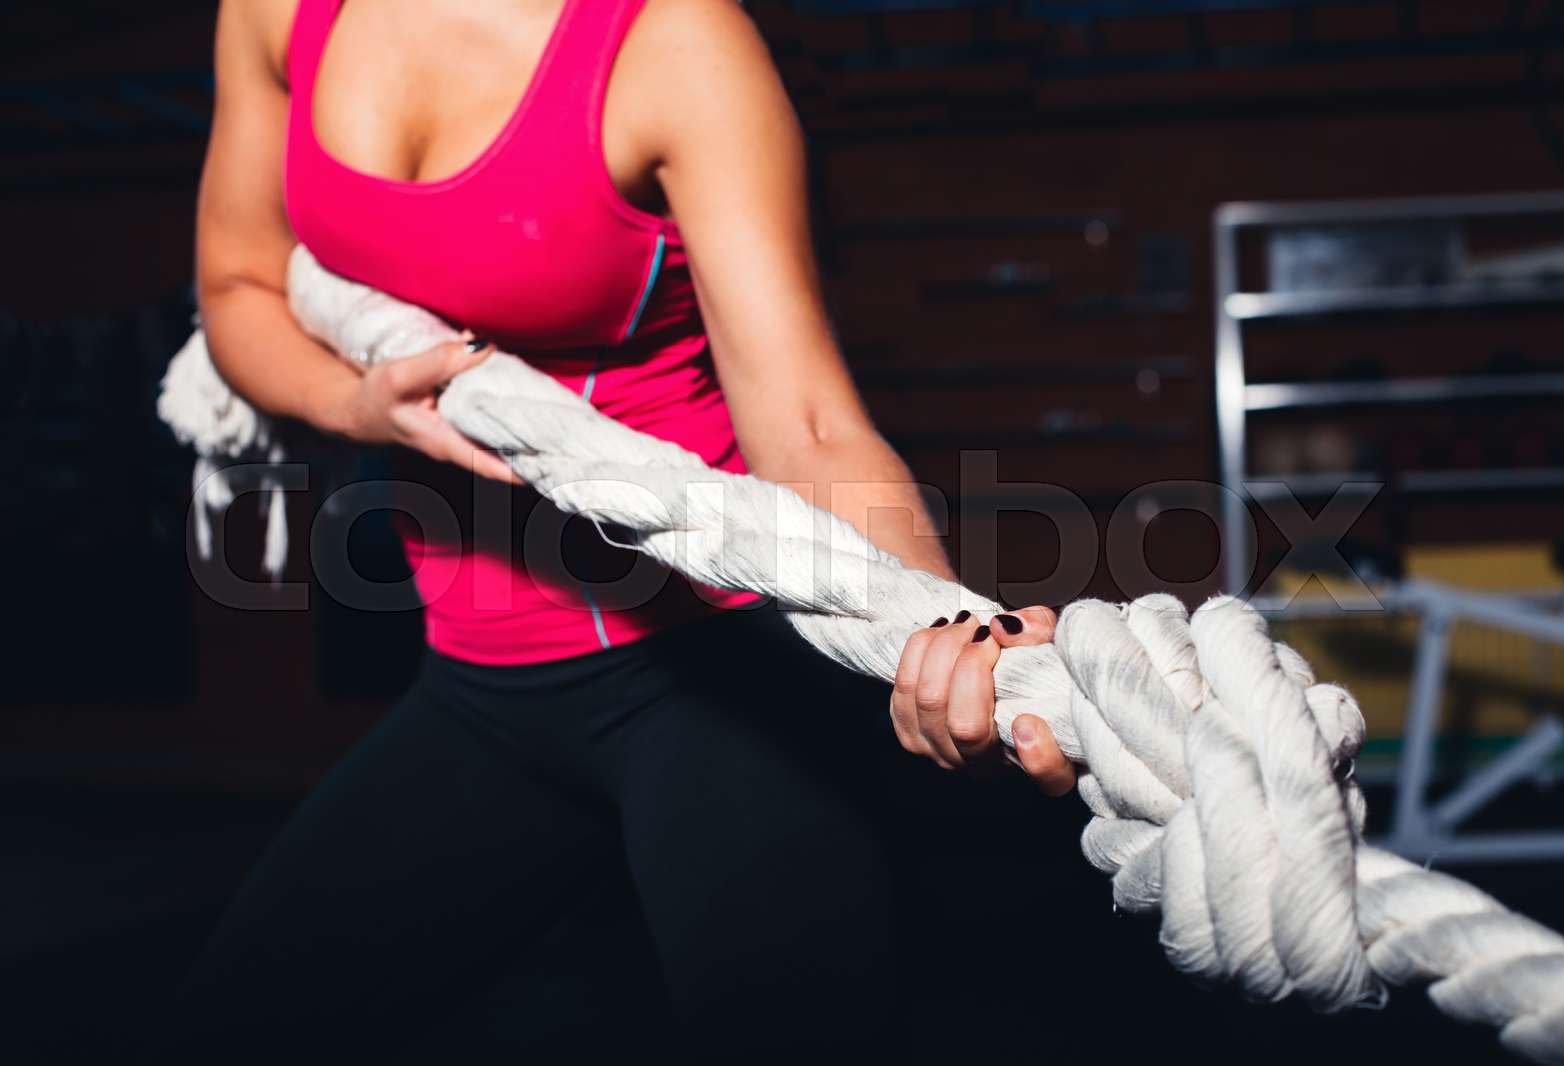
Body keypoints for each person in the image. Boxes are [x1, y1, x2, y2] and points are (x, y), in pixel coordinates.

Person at [170, 0, 1078, 1058]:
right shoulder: (275, 12)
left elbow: (809, 421)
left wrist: (946, 626)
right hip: (473, 683)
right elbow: (237, 284)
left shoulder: (674, 42)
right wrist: (355, 405)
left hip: (718, 674)